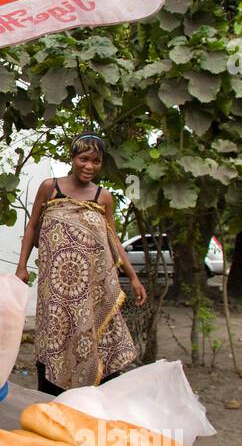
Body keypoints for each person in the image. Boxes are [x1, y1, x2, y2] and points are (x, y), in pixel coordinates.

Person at [14, 133, 145, 396]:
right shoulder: (50, 187)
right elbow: (31, 227)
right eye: (84, 159)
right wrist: (22, 266)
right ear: (72, 158)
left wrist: (132, 277)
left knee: (94, 333)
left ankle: (93, 401)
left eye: (96, 161)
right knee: (55, 333)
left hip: (91, 287)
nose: (89, 166)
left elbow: (113, 239)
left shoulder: (103, 197)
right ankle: (52, 398)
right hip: (55, 288)